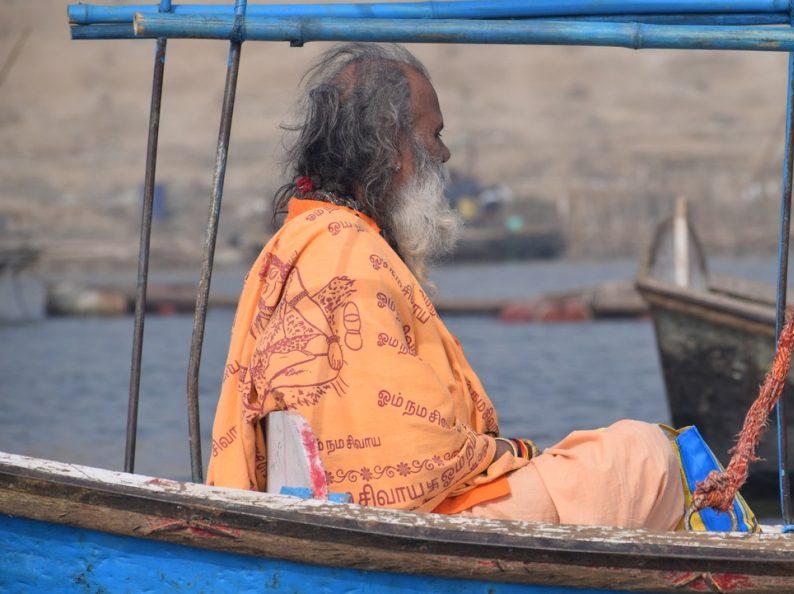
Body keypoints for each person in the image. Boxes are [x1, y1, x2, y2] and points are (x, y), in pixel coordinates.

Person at [207, 43, 740, 532]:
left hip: (402, 500)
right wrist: (511, 453)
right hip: (411, 520)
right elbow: (409, 454)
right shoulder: (347, 254)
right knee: (643, 455)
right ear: (392, 147)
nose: (444, 156)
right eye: (434, 134)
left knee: (613, 454)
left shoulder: (303, 236)